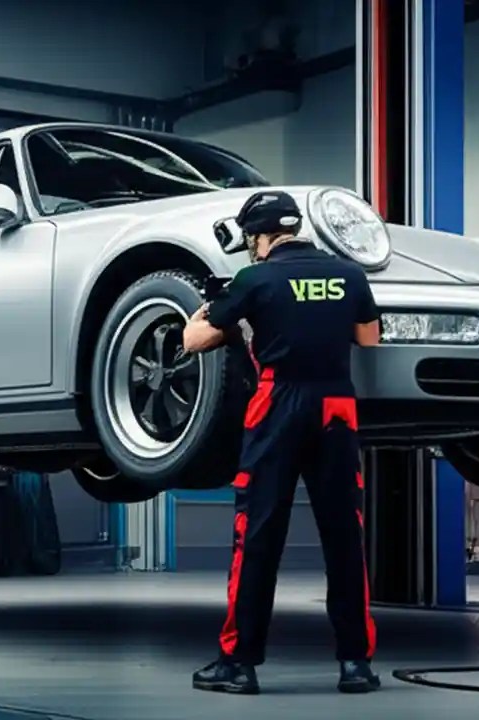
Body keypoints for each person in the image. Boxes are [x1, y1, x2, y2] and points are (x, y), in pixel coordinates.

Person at [180, 190, 383, 695]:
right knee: (344, 535)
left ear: (259, 237)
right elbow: (369, 339)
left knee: (258, 534)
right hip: (337, 406)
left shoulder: (255, 278)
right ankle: (356, 664)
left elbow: (194, 341)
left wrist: (210, 310)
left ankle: (238, 664)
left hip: (277, 405)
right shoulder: (348, 275)